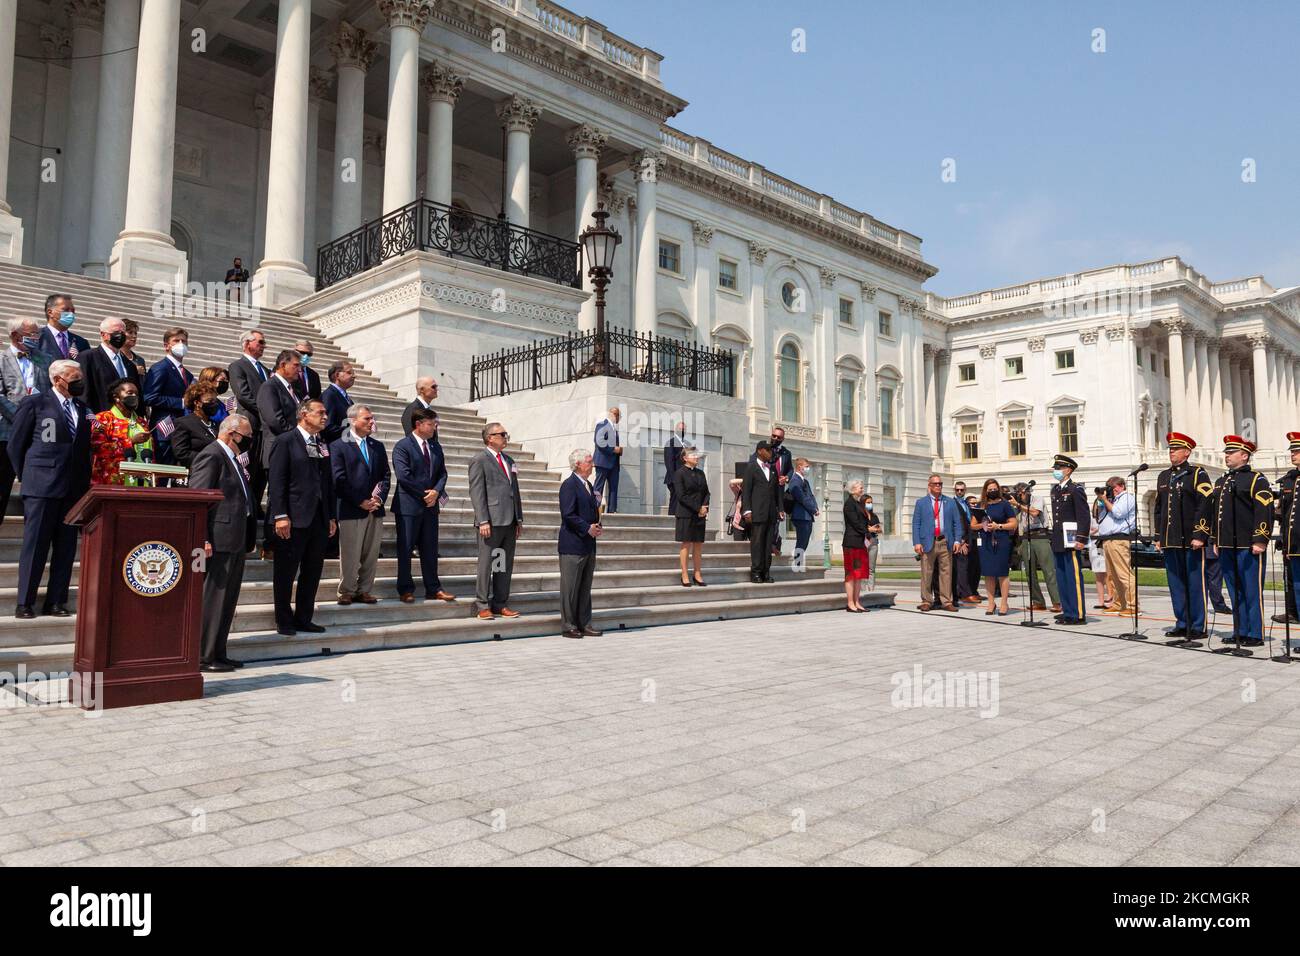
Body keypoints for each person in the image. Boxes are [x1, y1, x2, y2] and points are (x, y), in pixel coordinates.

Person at [8, 359, 92, 618]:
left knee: (66, 549)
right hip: (41, 487)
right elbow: (15, 445)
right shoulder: (35, 403)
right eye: (73, 376)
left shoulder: (82, 408)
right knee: (35, 547)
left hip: (73, 489)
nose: (79, 381)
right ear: (58, 379)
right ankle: (25, 602)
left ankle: (56, 600)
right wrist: (29, 477)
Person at [189, 415, 256, 672]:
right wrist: (202, 537)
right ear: (232, 433)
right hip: (218, 539)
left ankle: (219, 651)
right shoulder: (212, 455)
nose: (250, 440)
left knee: (227, 600)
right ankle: (204, 656)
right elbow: (199, 499)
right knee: (213, 599)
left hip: (235, 539)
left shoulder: (233, 458)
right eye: (247, 435)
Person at [1192, 436, 1272, 647]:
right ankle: (1240, 630)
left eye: (1231, 453)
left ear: (1244, 456)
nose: (1226, 456)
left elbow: (1264, 511)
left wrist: (1260, 539)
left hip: (1249, 545)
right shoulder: (1222, 481)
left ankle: (1255, 633)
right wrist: (1216, 540)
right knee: (1235, 591)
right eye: (1226, 452)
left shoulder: (1256, 479)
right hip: (1226, 545)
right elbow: (1217, 514)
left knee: (1251, 591)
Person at [267, 399, 337, 636]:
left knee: (312, 571)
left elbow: (327, 483)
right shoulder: (285, 441)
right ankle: (284, 620)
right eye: (321, 412)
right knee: (286, 572)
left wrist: (330, 516)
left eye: (326, 413)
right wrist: (280, 515)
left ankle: (304, 617)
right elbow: (277, 482)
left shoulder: (322, 444)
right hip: (292, 518)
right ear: (304, 415)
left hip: (317, 518)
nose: (325, 416)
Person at [1154, 433, 1214, 639]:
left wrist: (1200, 534)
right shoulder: (1163, 476)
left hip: (1191, 540)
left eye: (1176, 449)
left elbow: (1204, 505)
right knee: (1176, 583)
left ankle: (1197, 626)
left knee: (1195, 583)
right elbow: (1159, 508)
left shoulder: (1197, 474)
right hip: (1171, 540)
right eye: (1170, 449)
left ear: (1187, 452)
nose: (1171, 452)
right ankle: (1181, 622)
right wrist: (1158, 536)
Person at [392, 407, 454, 604]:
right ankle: (405, 589)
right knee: (406, 548)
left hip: (431, 506)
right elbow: (403, 476)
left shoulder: (436, 446)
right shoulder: (402, 446)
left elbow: (443, 473)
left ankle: (433, 588)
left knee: (429, 548)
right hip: (408, 506)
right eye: (431, 424)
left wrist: (436, 491)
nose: (434, 427)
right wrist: (425, 493)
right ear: (418, 424)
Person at [330, 404, 390, 606]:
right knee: (350, 553)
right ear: (353, 421)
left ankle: (364, 590)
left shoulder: (377, 446)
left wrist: (378, 499)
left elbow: (386, 476)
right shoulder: (338, 446)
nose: (372, 422)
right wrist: (360, 501)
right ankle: (346, 590)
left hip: (375, 509)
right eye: (367, 419)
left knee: (371, 554)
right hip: (351, 509)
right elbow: (339, 479)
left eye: (372, 418)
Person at [468, 421, 524, 620]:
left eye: (505, 434)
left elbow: (514, 491)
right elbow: (477, 492)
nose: (505, 437)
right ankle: (482, 604)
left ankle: (500, 603)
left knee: (502, 565)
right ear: (489, 438)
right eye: (501, 434)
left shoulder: (509, 460)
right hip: (490, 522)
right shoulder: (480, 460)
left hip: (508, 522)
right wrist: (483, 520)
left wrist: (519, 519)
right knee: (486, 565)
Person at [1, 318, 48, 525]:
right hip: (7, 431)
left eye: (37, 334)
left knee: (35, 487)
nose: (35, 338)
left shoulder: (44, 359)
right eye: (31, 335)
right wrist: (21, 418)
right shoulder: (1, 359)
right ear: (15, 335)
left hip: (37, 432)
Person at [559, 450, 603, 638]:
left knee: (585, 587)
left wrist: (597, 526)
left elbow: (592, 511)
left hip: (588, 544)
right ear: (578, 464)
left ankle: (585, 623)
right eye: (589, 461)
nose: (592, 464)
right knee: (570, 588)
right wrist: (587, 528)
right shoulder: (569, 485)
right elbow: (568, 515)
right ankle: (568, 625)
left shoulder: (589, 485)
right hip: (573, 545)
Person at [228, 330, 270, 513]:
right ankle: (244, 502)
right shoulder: (238, 366)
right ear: (247, 343)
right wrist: (265, 410)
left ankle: (256, 502)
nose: (263, 346)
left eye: (263, 342)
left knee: (262, 468)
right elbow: (243, 395)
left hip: (265, 427)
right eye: (260, 342)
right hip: (250, 423)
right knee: (248, 465)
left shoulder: (266, 371)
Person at [911, 473, 961, 612]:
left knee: (946, 572)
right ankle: (927, 600)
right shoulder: (921, 503)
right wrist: (917, 542)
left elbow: (957, 523)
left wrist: (957, 540)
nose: (938, 486)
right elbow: (916, 523)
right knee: (927, 572)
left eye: (940, 484)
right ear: (930, 486)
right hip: (928, 542)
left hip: (945, 541)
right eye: (936, 484)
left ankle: (946, 601)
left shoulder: (950, 502)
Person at [1050, 454, 1091, 625]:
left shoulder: (1076, 489)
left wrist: (1081, 538)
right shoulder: (1056, 490)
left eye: (1059, 468)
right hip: (1060, 539)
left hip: (1073, 540)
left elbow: (1083, 516)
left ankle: (1077, 613)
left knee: (1073, 577)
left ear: (1068, 470)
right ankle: (1068, 610)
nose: (1056, 471)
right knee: (1061, 577)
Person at [90, 378, 154, 484]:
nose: (134, 397)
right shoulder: (102, 418)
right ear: (116, 397)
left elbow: (150, 453)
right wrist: (130, 442)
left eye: (136, 394)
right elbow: (98, 449)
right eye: (130, 393)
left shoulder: (141, 422)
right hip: (113, 480)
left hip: (142, 480)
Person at [143, 326, 193, 462]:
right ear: (167, 346)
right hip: (164, 429)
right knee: (162, 474)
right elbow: (150, 397)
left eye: (184, 341)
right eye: (176, 341)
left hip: (181, 430)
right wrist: (181, 403)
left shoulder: (187, 374)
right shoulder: (160, 368)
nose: (181, 344)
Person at [1010, 481, 1060, 613]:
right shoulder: (1018, 505)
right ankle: (1038, 601)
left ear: (1026, 492)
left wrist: (1018, 505)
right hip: (1026, 537)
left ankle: (1057, 602)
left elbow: (1034, 513)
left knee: (1048, 570)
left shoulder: (1037, 499)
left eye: (1020, 493)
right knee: (1029, 573)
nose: (1019, 496)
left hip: (1040, 536)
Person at [742, 439, 783, 584]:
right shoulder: (751, 468)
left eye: (771, 450)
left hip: (771, 513)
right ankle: (756, 572)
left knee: (768, 544)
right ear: (760, 451)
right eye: (768, 450)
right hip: (757, 512)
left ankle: (766, 572)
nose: (770, 453)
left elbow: (777, 492)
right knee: (757, 543)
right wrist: (747, 510)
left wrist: (780, 509)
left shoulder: (772, 469)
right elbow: (746, 491)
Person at [78, 317, 139, 413]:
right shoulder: (88, 357)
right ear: (103, 334)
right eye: (116, 332)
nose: (120, 335)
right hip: (100, 418)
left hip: (126, 421)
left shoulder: (130, 364)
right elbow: (83, 393)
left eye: (123, 332)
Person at [1095, 475, 1137, 614]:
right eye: (1110, 488)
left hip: (1119, 539)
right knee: (1113, 576)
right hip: (1107, 539)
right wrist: (1100, 499)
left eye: (1114, 488)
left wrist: (1106, 500)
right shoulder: (1112, 500)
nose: (1113, 490)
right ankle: (1119, 603)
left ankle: (1132, 605)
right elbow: (1096, 515)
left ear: (1122, 486)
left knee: (1124, 574)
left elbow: (1118, 513)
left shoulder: (1127, 498)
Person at [976, 479, 1018, 616]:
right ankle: (991, 602)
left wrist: (998, 526)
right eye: (989, 489)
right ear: (985, 491)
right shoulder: (981, 505)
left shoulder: (1005, 505)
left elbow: (1013, 524)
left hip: (1002, 540)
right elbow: (972, 525)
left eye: (994, 489)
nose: (992, 491)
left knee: (1002, 573)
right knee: (988, 573)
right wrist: (984, 525)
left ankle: (1004, 603)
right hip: (986, 541)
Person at [256, 349, 303, 469]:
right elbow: (275, 421)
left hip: (293, 450)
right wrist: (300, 435)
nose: (299, 370)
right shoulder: (269, 387)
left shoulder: (293, 389)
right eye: (296, 365)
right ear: (283, 365)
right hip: (278, 450)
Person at [672, 445, 710, 587]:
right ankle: (684, 574)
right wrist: (698, 508)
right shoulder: (679, 473)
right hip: (686, 513)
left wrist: (705, 506)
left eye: (696, 454)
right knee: (686, 544)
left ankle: (697, 573)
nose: (696, 457)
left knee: (698, 545)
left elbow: (706, 492)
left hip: (700, 514)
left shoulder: (701, 473)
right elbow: (681, 496)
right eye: (693, 455)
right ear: (685, 458)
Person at [1277, 432, 1300, 641]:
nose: (1293, 454)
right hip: (1293, 546)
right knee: (1297, 589)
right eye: (1292, 451)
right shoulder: (1290, 478)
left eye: (1297, 451)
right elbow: (1285, 513)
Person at [171, 382, 221, 468]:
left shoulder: (216, 425)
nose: (214, 404)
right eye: (210, 401)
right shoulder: (183, 423)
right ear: (197, 403)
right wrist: (209, 459)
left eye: (215, 400)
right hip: (196, 472)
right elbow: (181, 453)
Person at [842, 480, 872, 612]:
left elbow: (865, 520)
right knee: (851, 573)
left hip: (860, 542)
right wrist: (867, 531)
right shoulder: (849, 504)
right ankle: (850, 603)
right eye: (860, 487)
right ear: (852, 489)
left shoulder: (858, 503)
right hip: (852, 542)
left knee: (859, 574)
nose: (862, 489)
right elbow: (855, 523)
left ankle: (857, 601)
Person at [764, 426, 794, 555]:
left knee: (776, 517)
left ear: (783, 439)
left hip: (778, 491)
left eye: (779, 437)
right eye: (774, 436)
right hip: (764, 489)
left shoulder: (786, 453)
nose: (775, 439)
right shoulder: (764, 449)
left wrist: (786, 477)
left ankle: (773, 543)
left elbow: (791, 470)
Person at [36, 293, 90, 361]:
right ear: (50, 312)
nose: (71, 314)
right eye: (66, 310)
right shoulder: (36, 337)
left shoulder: (82, 343)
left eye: (73, 311)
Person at [787, 457, 819, 567]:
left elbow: (810, 495)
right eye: (806, 467)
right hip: (800, 515)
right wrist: (813, 509)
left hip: (807, 516)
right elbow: (802, 498)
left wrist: (815, 507)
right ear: (799, 467)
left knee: (805, 540)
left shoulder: (804, 481)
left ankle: (798, 561)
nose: (808, 469)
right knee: (802, 540)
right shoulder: (795, 481)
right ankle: (797, 563)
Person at [949, 482, 977, 604]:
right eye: (957, 490)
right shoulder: (951, 503)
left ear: (965, 490)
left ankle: (969, 591)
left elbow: (969, 522)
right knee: (961, 568)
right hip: (959, 540)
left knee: (970, 567)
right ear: (954, 490)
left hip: (969, 539)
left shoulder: (966, 503)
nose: (959, 492)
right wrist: (960, 541)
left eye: (961, 490)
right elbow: (953, 523)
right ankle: (964, 594)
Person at [592, 406, 623, 513]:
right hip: (603, 462)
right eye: (618, 415)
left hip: (614, 464)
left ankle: (612, 511)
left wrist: (619, 451)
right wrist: (614, 449)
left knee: (614, 488)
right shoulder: (602, 425)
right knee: (598, 487)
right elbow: (599, 441)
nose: (619, 418)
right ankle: (594, 509)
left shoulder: (615, 429)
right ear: (614, 415)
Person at [322, 361, 355, 444]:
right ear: (337, 375)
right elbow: (327, 426)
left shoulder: (347, 398)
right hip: (335, 447)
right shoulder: (329, 395)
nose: (354, 376)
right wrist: (355, 430)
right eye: (349, 373)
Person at [663, 420, 688, 515]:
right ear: (676, 430)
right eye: (680, 428)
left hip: (686, 479)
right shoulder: (670, 443)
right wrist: (675, 479)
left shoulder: (687, 444)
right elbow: (669, 463)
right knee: (675, 501)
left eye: (684, 429)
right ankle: (671, 523)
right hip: (674, 478)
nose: (682, 430)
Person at [861, 493, 883, 590]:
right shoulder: (860, 515)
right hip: (863, 541)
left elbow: (879, 529)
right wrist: (870, 529)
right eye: (868, 502)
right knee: (863, 566)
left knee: (871, 568)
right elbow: (860, 528)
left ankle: (871, 588)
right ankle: (862, 588)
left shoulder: (874, 516)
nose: (870, 504)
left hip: (873, 542)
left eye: (871, 502)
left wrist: (872, 529)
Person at [726, 476, 746, 541]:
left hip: (751, 524)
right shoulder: (739, 493)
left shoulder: (754, 493)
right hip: (738, 524)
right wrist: (747, 479)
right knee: (739, 548)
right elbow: (731, 482)